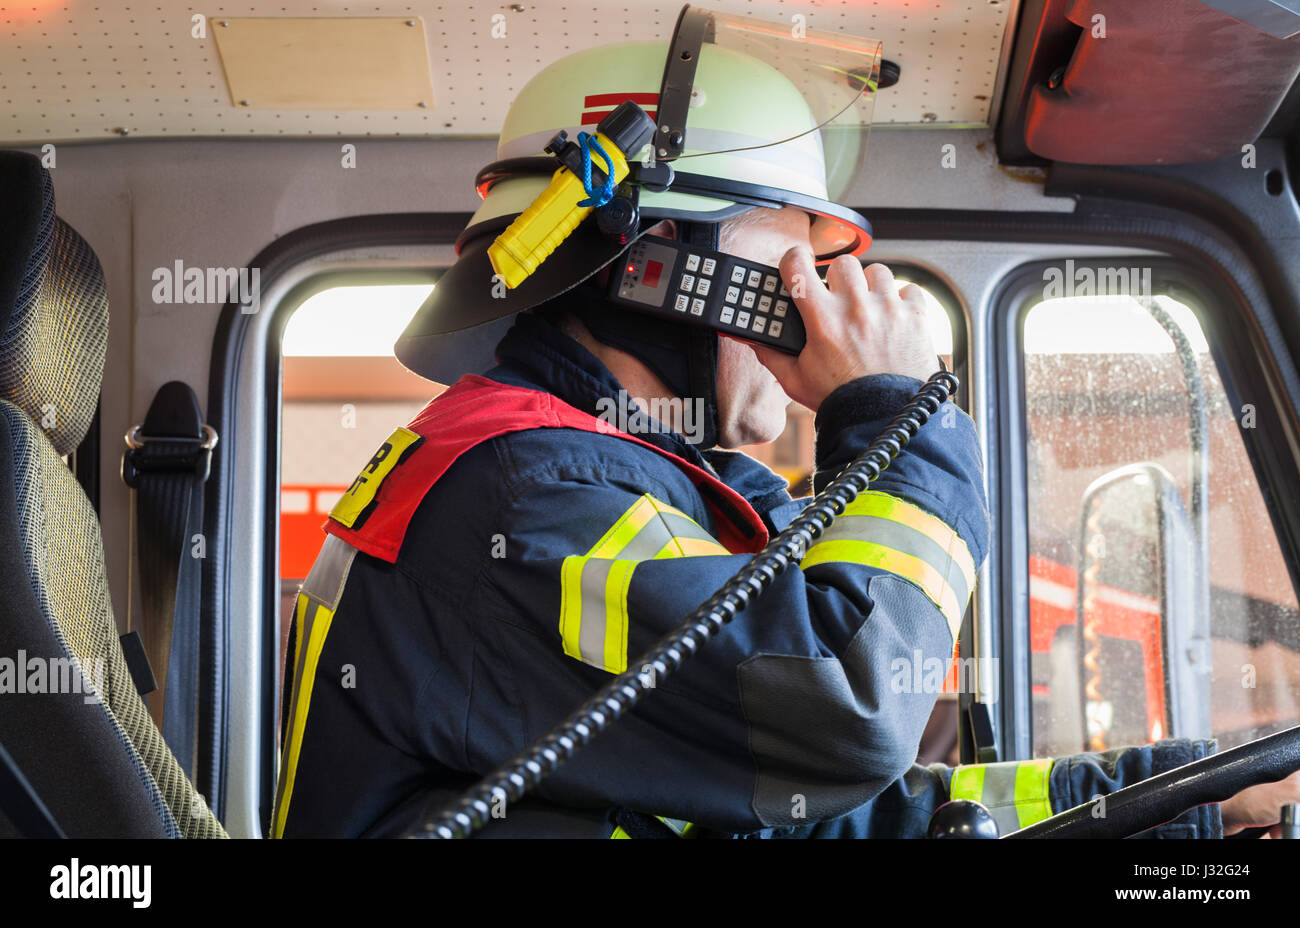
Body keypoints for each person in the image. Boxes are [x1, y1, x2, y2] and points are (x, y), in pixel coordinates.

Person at [271, 13, 1299, 839]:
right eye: (794, 258)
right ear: (660, 268)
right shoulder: (527, 499)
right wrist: (898, 413)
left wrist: (1193, 802)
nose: (832, 294)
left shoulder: (646, 484)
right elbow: (847, 712)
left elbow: (847, 813)